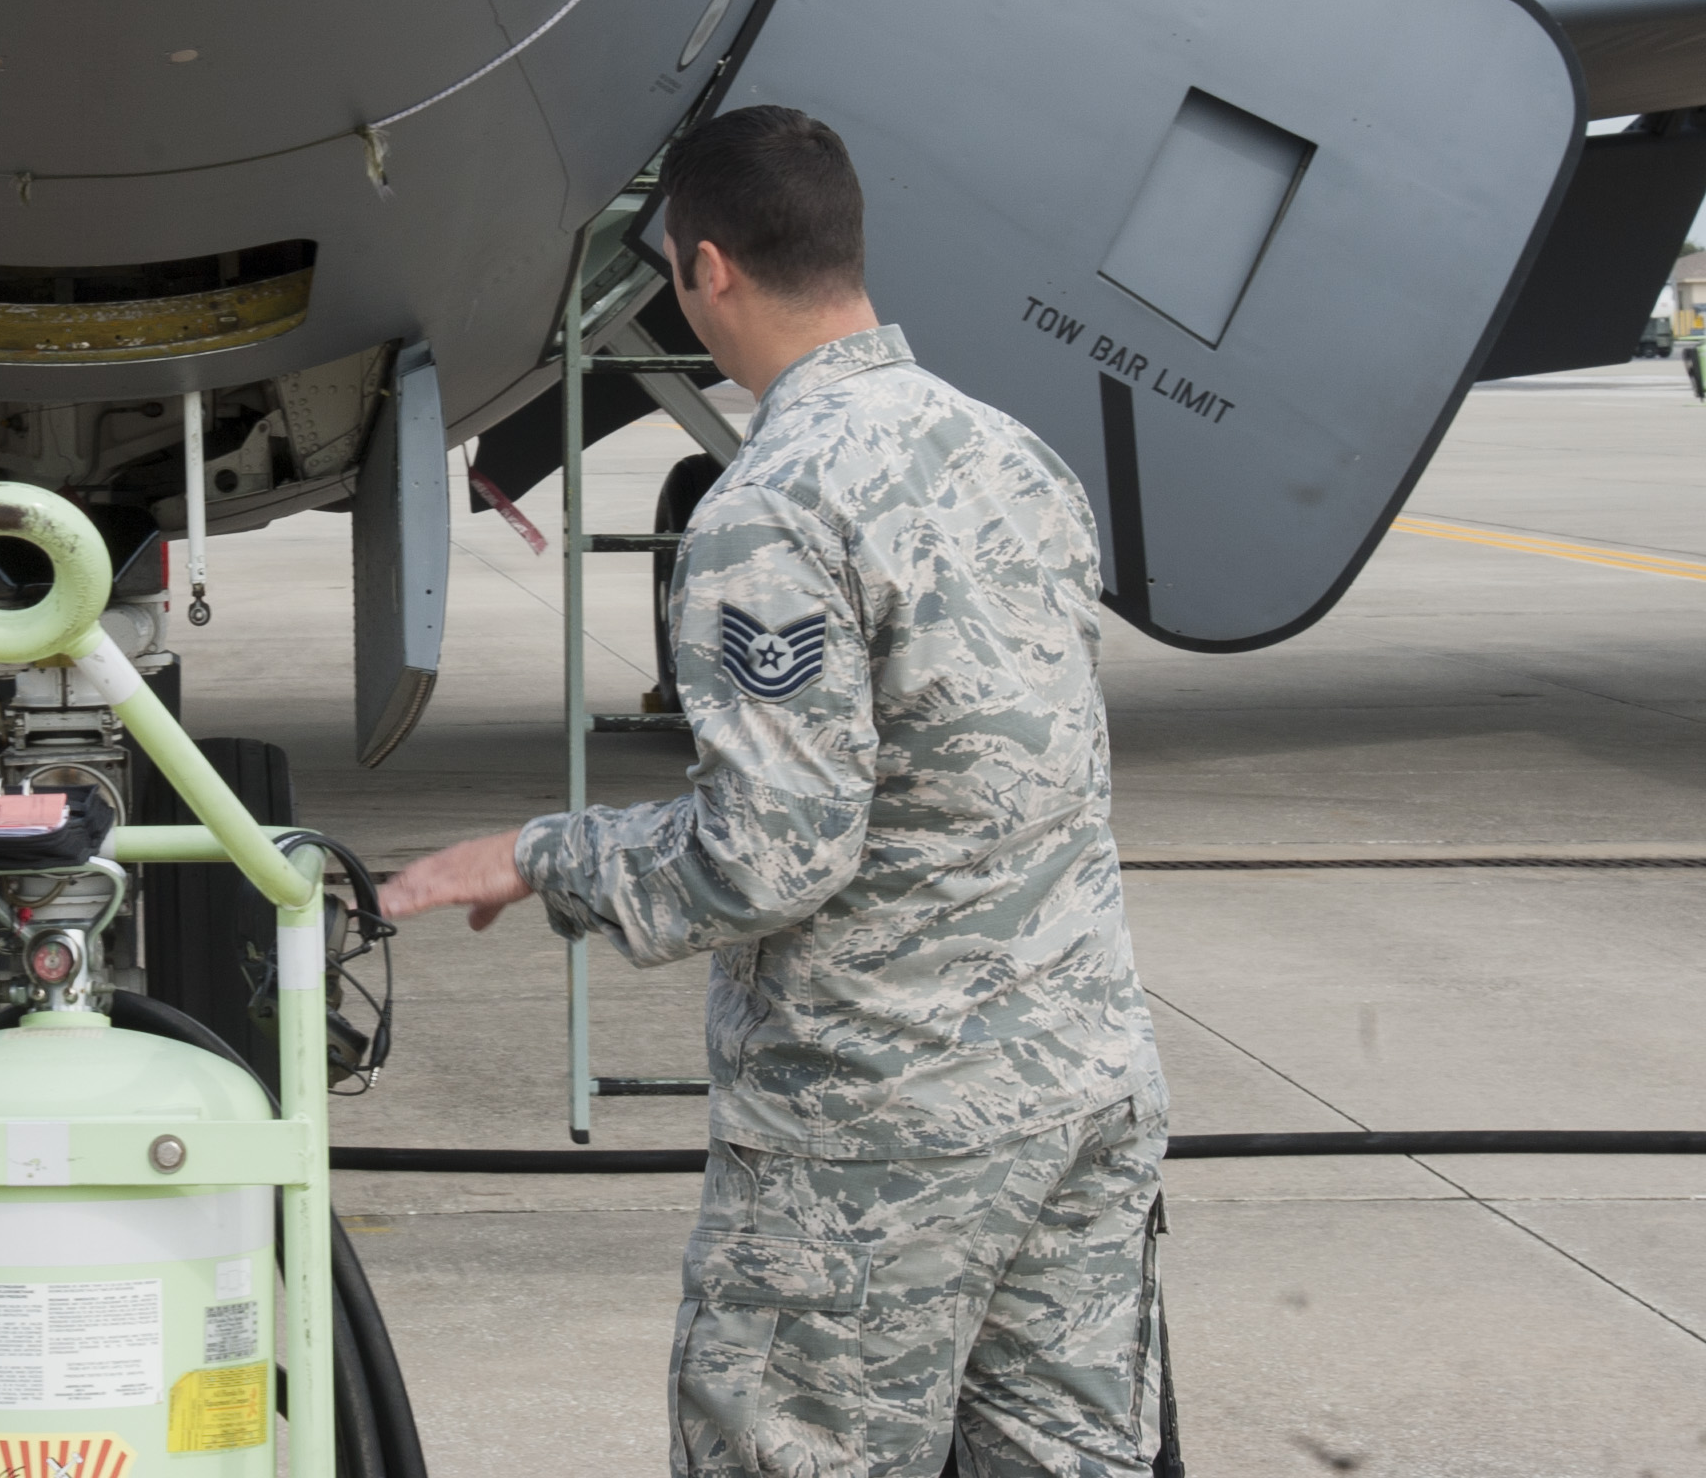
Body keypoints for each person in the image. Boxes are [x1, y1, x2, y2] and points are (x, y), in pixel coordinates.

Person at [385, 104, 1168, 1478]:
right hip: (1084, 1091)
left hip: (883, 1129)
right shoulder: (1012, 457)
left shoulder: (772, 509)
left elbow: (770, 857)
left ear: (706, 270)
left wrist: (540, 855)